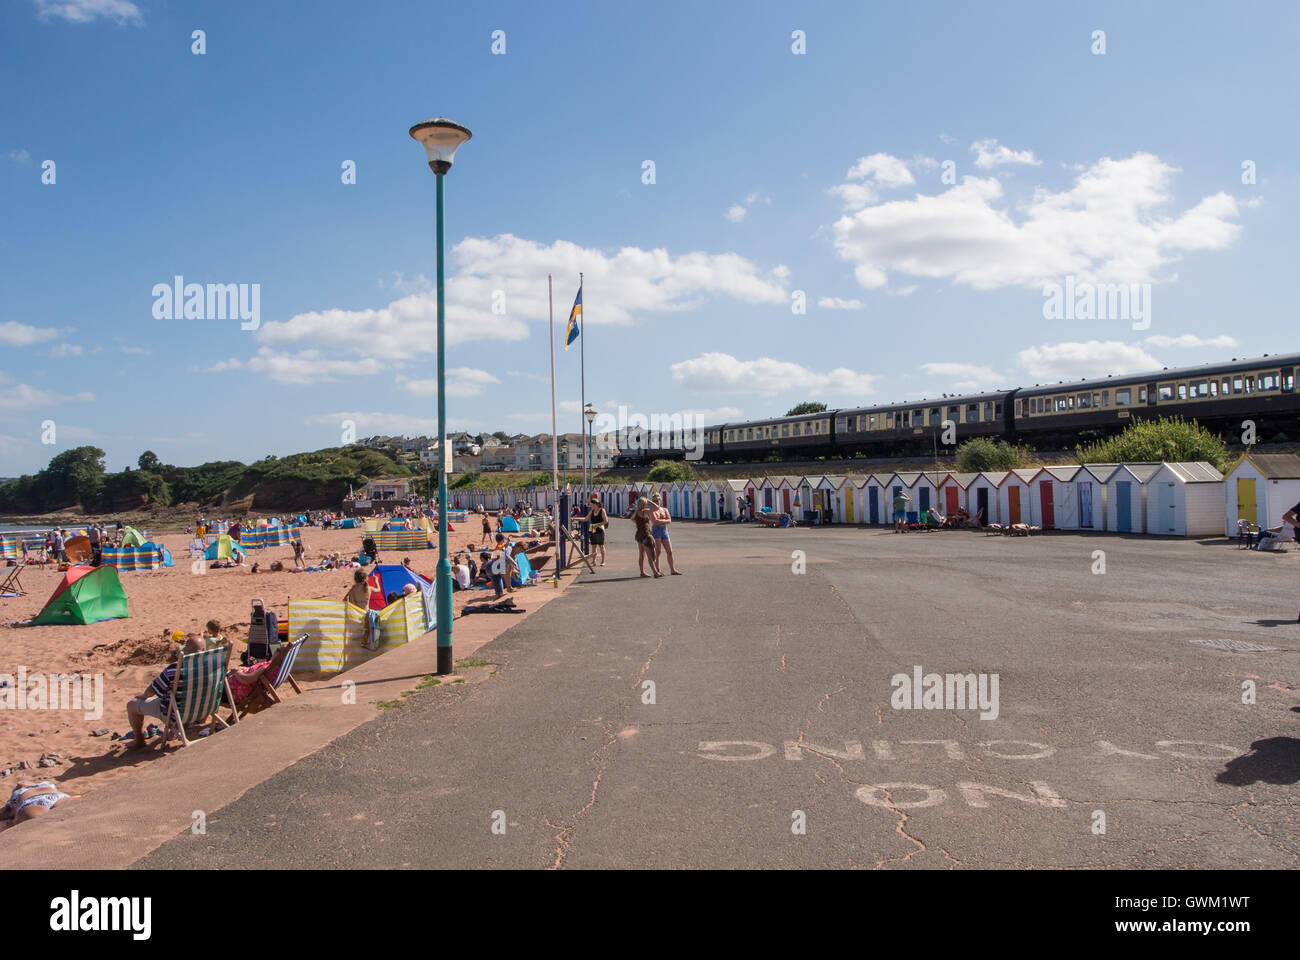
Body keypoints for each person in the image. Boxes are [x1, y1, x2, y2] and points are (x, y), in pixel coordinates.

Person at [126, 636, 207, 748]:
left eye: (186, 647)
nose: (182, 650)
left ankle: (139, 742)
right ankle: (175, 731)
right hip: (203, 710)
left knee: (132, 705)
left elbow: (152, 690)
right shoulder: (214, 666)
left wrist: (143, 696)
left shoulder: (175, 669)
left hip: (177, 713)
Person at [2, 780, 71, 826]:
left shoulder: (16, 794)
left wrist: (12, 820)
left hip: (31, 801)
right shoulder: (47, 784)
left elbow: (7, 813)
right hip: (58, 796)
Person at [650, 493, 682, 575]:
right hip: (656, 531)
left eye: (657, 500)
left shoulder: (664, 509)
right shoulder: (651, 510)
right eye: (654, 500)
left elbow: (669, 520)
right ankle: (657, 570)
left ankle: (672, 569)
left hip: (664, 531)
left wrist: (662, 521)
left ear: (660, 500)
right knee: (658, 552)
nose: (656, 502)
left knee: (670, 551)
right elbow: (655, 521)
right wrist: (664, 520)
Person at [632, 497, 663, 578]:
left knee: (641, 555)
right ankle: (655, 572)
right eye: (646, 503)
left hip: (639, 535)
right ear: (644, 504)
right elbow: (657, 508)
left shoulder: (637, 512)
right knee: (650, 555)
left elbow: (632, 519)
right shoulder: (645, 511)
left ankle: (642, 572)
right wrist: (649, 500)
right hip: (646, 535)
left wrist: (638, 523)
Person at [490, 533, 516, 598]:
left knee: (506, 574)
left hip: (499, 562)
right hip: (497, 563)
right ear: (502, 540)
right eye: (503, 539)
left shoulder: (500, 545)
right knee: (500, 577)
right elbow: (495, 558)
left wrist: (508, 541)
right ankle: (504, 590)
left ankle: (509, 588)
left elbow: (505, 546)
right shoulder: (499, 547)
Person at [587, 494, 609, 567]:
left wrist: (597, 525)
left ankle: (603, 561)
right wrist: (574, 518)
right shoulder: (592, 511)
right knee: (593, 546)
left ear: (595, 504)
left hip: (600, 529)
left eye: (591, 505)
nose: (590, 506)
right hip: (593, 529)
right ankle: (594, 561)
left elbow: (606, 521)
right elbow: (586, 519)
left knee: (601, 546)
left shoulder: (602, 510)